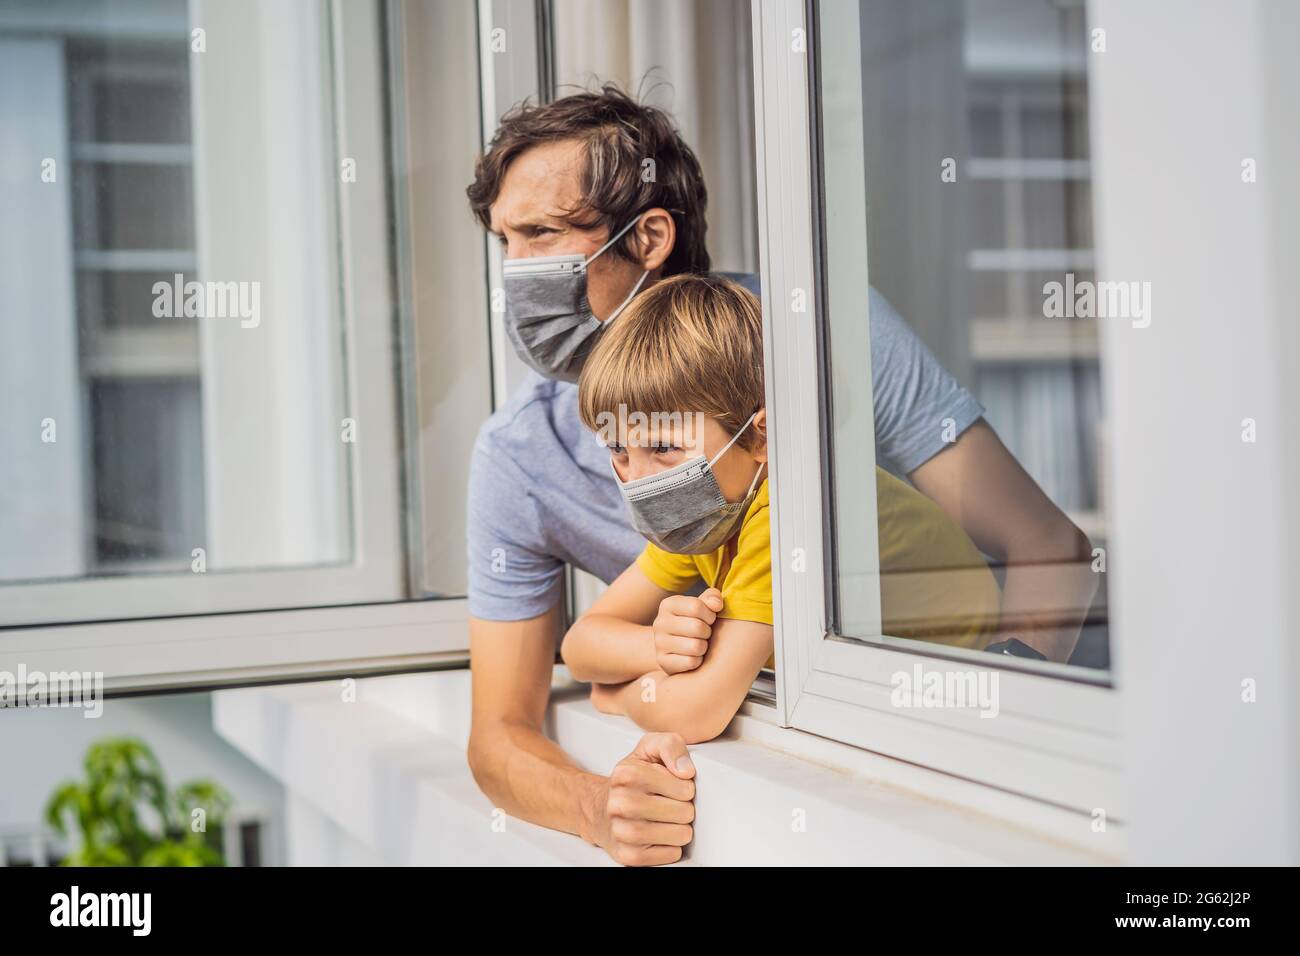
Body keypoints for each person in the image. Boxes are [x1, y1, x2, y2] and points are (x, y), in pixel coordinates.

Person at [464, 86, 1095, 866]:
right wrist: (605, 810)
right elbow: (501, 733)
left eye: (543, 235)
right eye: (504, 244)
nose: (515, 275)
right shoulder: (517, 457)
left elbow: (1047, 548)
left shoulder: (825, 340)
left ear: (649, 235)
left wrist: (1000, 754)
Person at [562, 274, 999, 743]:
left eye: (666, 445)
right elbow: (581, 645)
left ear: (761, 436)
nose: (640, 479)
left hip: (956, 715)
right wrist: (660, 646)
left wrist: (620, 696)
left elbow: (694, 714)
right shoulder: (707, 512)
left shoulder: (790, 507)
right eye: (619, 450)